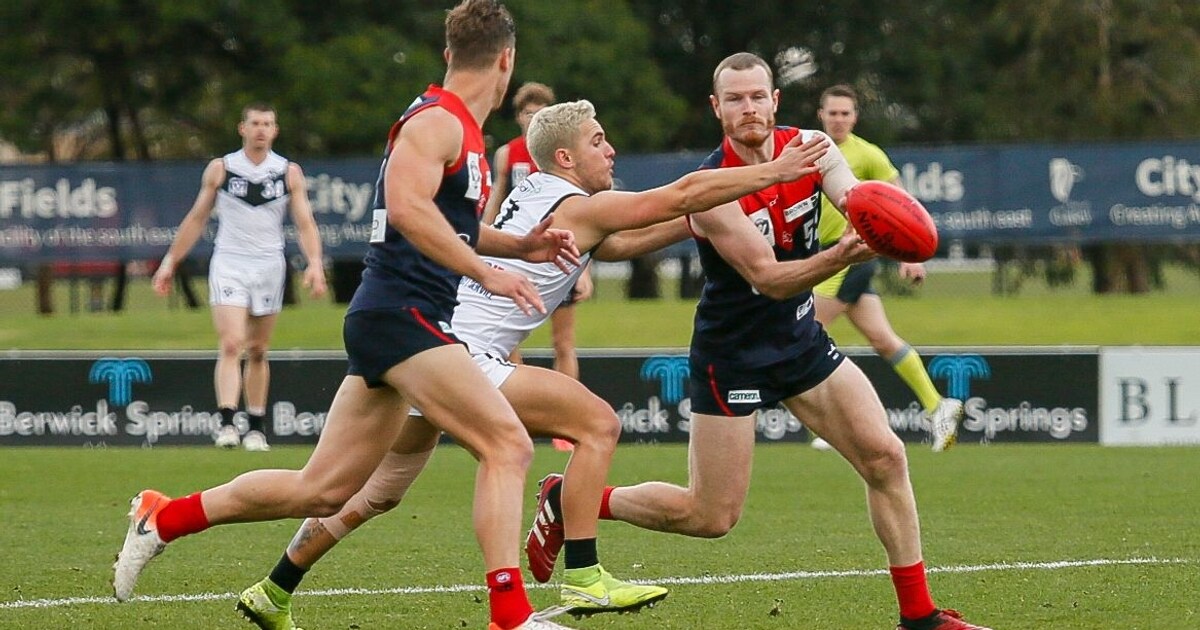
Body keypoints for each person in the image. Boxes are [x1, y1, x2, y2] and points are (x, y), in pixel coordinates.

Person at [233, 98, 832, 630]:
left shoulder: (549, 196)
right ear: (567, 157)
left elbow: (627, 238)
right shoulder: (576, 203)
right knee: (597, 424)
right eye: (599, 141)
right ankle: (583, 573)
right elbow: (675, 196)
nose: (611, 148)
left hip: (430, 347)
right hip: (460, 355)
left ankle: (272, 589)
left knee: (374, 494)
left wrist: (706, 217)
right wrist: (771, 174)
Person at [114, 3, 581, 629]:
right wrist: (485, 271)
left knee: (324, 489)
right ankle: (510, 615)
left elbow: (451, 223)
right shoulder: (440, 123)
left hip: (399, 319)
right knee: (507, 444)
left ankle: (163, 516)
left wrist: (519, 246)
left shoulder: (462, 131)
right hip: (402, 316)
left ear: (450, 53)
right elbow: (408, 211)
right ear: (508, 60)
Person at [525, 53, 992, 630]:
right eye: (735, 99)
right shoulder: (712, 188)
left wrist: (866, 213)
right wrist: (845, 252)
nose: (749, 108)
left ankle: (920, 617)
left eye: (758, 96)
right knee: (710, 515)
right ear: (717, 108)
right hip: (733, 355)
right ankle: (570, 503)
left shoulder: (814, 146)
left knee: (886, 457)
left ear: (775, 101)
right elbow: (769, 279)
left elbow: (848, 193)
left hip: (800, 341)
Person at [151, 103, 328, 452]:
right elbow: (197, 218)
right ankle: (228, 422)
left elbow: (305, 222)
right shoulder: (222, 169)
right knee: (232, 342)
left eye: (267, 123)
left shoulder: (288, 173)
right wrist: (170, 261)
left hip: (269, 265)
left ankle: (257, 426)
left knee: (259, 349)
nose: (261, 129)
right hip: (230, 262)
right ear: (242, 128)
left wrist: (316, 263)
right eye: (255, 123)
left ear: (275, 130)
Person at [811, 83, 961, 453]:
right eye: (833, 113)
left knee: (805, 334)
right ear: (821, 115)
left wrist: (910, 256)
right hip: (827, 255)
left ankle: (838, 425)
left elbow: (902, 207)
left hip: (850, 256)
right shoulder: (812, 150)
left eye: (846, 113)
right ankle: (938, 405)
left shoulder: (868, 155)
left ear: (855, 117)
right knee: (883, 340)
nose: (839, 119)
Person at [485, 82, 593, 431]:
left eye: (539, 112)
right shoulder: (508, 154)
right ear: (517, 117)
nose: (531, 119)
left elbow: (586, 219)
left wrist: (584, 271)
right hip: (518, 258)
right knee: (507, 342)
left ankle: (567, 421)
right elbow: (497, 203)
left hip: (559, 256)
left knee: (563, 342)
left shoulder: (567, 155)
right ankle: (515, 417)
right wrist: (481, 241)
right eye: (526, 113)